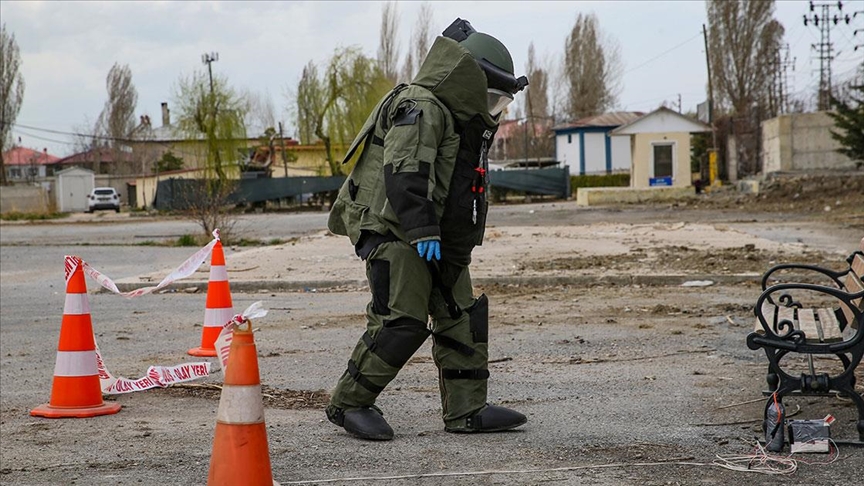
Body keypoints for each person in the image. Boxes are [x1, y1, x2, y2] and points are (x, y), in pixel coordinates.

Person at [325, 18, 529, 441]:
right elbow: (405, 173)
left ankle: (467, 410)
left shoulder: (458, 117)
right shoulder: (422, 106)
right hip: (395, 232)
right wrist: (423, 232)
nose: (492, 109)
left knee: (462, 315)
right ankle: (350, 403)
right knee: (402, 320)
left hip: (435, 236)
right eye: (491, 97)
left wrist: (446, 239)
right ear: (467, 78)